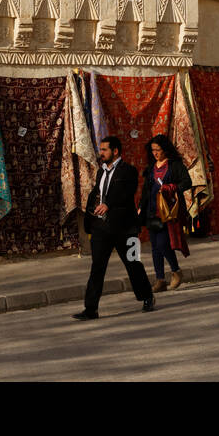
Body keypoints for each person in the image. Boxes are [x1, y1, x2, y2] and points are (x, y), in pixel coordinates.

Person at [72, 136, 154, 320]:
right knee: (97, 268)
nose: (101, 153)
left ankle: (147, 296)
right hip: (102, 228)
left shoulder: (128, 171)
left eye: (104, 150)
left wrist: (108, 203)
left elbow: (126, 193)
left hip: (126, 228)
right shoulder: (101, 172)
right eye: (100, 150)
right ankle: (91, 309)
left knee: (133, 264)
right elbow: (98, 194)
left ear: (115, 151)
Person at [139, 134, 192, 293]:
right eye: (153, 150)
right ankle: (160, 279)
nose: (155, 153)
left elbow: (187, 182)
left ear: (165, 150)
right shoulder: (151, 168)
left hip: (168, 210)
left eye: (158, 150)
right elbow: (146, 190)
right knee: (155, 246)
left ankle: (176, 271)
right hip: (152, 210)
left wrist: (172, 188)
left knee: (163, 243)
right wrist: (141, 206)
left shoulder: (175, 165)